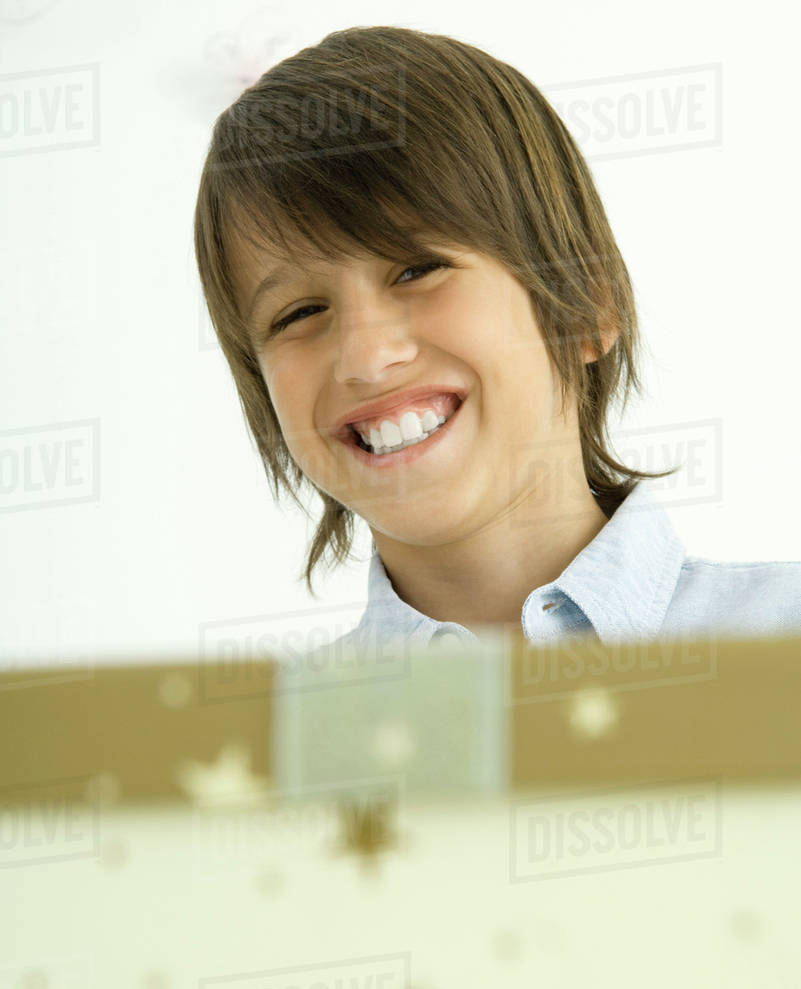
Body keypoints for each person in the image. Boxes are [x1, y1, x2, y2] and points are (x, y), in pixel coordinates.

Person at [193, 25, 800, 655]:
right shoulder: (266, 738)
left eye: (416, 269)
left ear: (586, 307)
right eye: (298, 313)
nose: (366, 359)